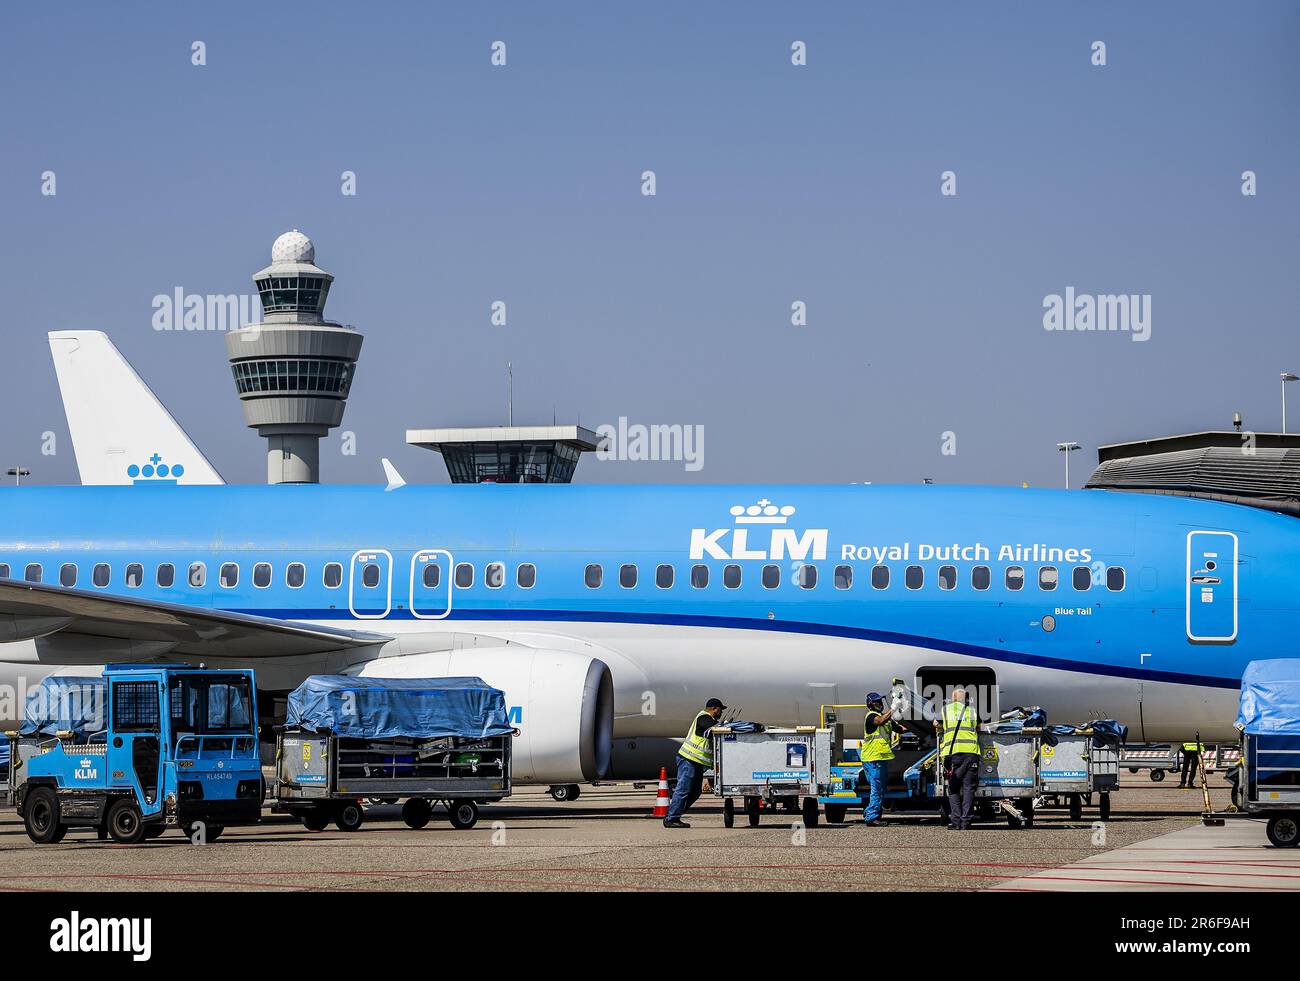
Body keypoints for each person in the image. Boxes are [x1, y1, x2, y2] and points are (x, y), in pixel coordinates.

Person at [664, 697, 725, 829]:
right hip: (689, 759)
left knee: (695, 791)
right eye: (720, 710)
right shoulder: (704, 717)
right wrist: (720, 726)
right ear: (714, 708)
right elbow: (707, 726)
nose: (721, 712)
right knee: (684, 789)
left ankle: (674, 813)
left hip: (696, 762)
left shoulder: (710, 719)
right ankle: (672, 818)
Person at [938, 687, 981, 831]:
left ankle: (955, 822)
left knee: (954, 789)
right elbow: (979, 727)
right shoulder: (972, 711)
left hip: (953, 755)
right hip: (971, 754)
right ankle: (966, 822)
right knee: (969, 789)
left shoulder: (945, 710)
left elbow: (937, 724)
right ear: (964, 698)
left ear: (953, 698)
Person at [858, 691, 895, 827]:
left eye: (880, 701)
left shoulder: (884, 718)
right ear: (870, 704)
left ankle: (872, 813)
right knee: (877, 788)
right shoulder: (871, 717)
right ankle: (871, 817)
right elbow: (881, 721)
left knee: (879, 787)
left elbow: (899, 728)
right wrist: (894, 708)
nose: (879, 704)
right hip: (872, 758)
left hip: (879, 758)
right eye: (876, 702)